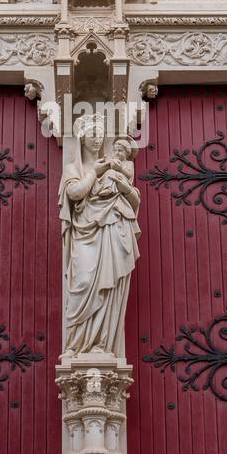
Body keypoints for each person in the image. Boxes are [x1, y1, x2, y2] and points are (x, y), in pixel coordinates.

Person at [58, 119, 141, 359]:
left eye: (100, 134)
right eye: (93, 133)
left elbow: (133, 197)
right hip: (85, 232)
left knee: (109, 284)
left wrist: (122, 186)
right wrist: (96, 172)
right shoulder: (76, 168)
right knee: (83, 282)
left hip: (113, 229)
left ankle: (101, 345)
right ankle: (75, 345)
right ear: (82, 137)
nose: (97, 139)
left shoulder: (114, 166)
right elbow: (74, 192)